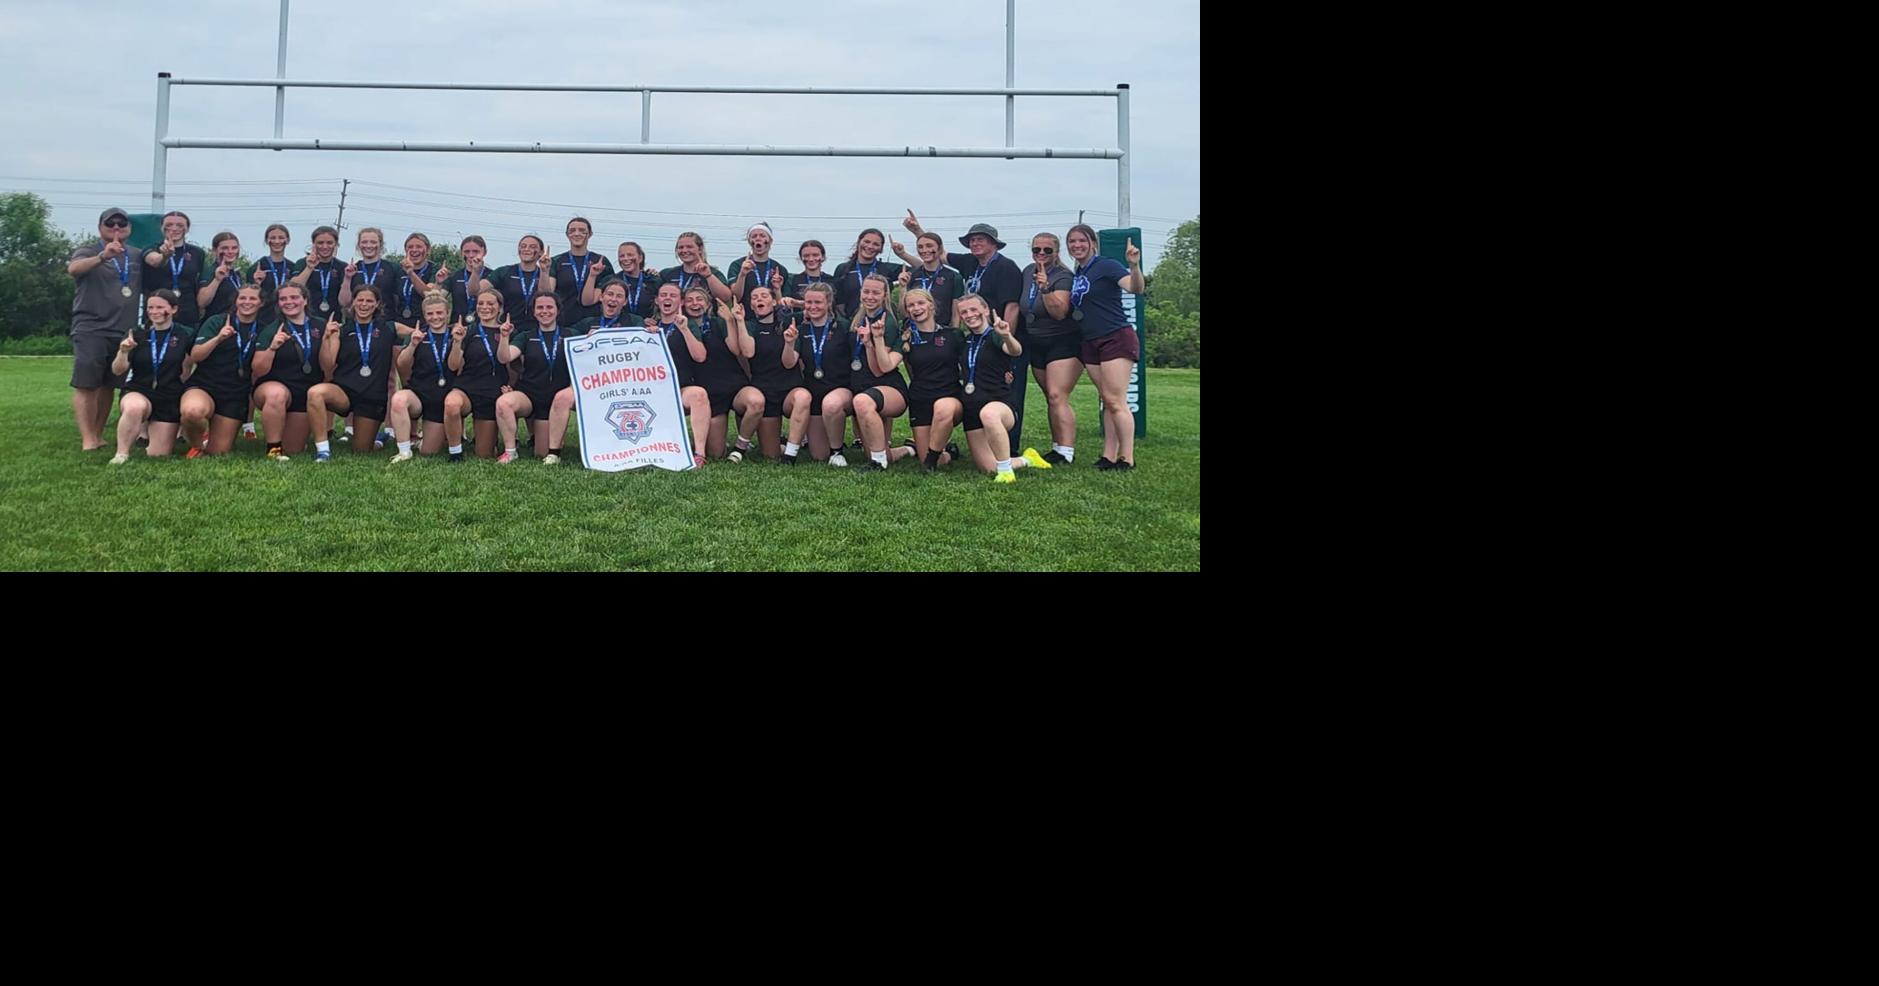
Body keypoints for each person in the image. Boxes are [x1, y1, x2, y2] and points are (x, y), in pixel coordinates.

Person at [901, 212, 1025, 460]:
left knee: (999, 389)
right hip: (975, 335)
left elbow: (1012, 306)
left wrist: (1004, 339)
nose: (975, 243)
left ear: (994, 243)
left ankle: (1009, 447)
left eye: (981, 239)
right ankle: (967, 446)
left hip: (997, 334)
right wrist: (917, 231)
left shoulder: (1006, 267)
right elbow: (937, 253)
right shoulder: (969, 263)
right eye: (972, 240)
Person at [1065, 224, 1147, 470]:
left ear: (1093, 243)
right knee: (1107, 399)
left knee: (1115, 400)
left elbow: (1135, 288)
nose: (1077, 245)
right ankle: (1108, 455)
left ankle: (1127, 458)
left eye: (1082, 240)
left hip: (1115, 337)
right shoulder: (1079, 272)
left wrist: (1134, 266)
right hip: (1090, 341)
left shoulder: (1106, 265)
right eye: (1072, 241)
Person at [66, 207, 143, 451]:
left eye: (122, 224)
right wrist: (103, 256)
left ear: (129, 229)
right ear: (100, 227)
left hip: (123, 330)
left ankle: (98, 434)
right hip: (91, 327)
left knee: (109, 384)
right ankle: (88, 438)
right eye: (110, 224)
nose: (116, 228)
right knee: (87, 383)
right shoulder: (89, 250)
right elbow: (73, 269)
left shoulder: (135, 254)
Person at [953, 293, 1049, 482]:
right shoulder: (965, 341)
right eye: (964, 312)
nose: (969, 315)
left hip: (999, 405)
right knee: (988, 467)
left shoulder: (996, 335)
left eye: (973, 309)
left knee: (989, 414)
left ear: (985, 310)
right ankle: (1027, 459)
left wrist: (1006, 335)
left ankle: (1006, 472)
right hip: (972, 409)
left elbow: (1015, 350)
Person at [306, 285, 397, 462]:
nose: (364, 304)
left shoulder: (389, 328)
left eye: (369, 301)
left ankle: (379, 440)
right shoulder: (341, 330)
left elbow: (419, 333)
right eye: (360, 300)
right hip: (344, 392)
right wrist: (326, 338)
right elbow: (327, 364)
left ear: (377, 304)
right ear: (353, 302)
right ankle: (323, 450)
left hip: (372, 396)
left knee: (362, 451)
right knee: (315, 393)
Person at [179, 284, 267, 457]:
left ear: (261, 303)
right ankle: (197, 446)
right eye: (242, 298)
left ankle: (210, 438)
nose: (247, 302)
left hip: (235, 393)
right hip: (205, 385)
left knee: (219, 452)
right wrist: (218, 338)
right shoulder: (217, 321)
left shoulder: (263, 329)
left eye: (252, 298)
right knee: (192, 412)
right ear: (236, 301)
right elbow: (196, 356)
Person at [107, 289, 194, 465]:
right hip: (139, 390)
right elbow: (117, 370)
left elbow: (197, 357)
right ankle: (121, 454)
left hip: (169, 395)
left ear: (173, 309)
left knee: (158, 455)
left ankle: (154, 439)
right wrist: (123, 352)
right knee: (134, 407)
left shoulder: (185, 334)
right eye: (150, 307)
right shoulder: (136, 334)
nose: (154, 312)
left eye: (160, 307)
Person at [1018, 231, 1079, 465]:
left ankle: (1067, 451)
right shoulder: (1027, 272)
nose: (1041, 254)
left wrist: (1045, 289)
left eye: (1047, 250)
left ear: (1057, 252)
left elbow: (1060, 312)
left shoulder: (1063, 275)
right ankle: (1057, 447)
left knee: (1057, 395)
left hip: (1063, 341)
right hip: (1036, 342)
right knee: (1050, 397)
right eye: (1037, 250)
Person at [778, 283, 853, 466]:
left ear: (828, 302)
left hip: (840, 390)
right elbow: (789, 363)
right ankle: (909, 448)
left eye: (818, 302)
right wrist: (789, 343)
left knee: (831, 403)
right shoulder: (801, 329)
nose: (813, 307)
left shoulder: (843, 326)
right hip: (813, 393)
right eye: (809, 302)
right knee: (819, 455)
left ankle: (837, 452)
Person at [141, 210, 208, 327]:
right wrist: (165, 256)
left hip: (187, 313)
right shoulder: (152, 248)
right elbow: (154, 261)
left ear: (187, 229)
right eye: (169, 225)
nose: (174, 228)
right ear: (162, 228)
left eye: (180, 225)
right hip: (157, 312)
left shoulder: (197, 252)